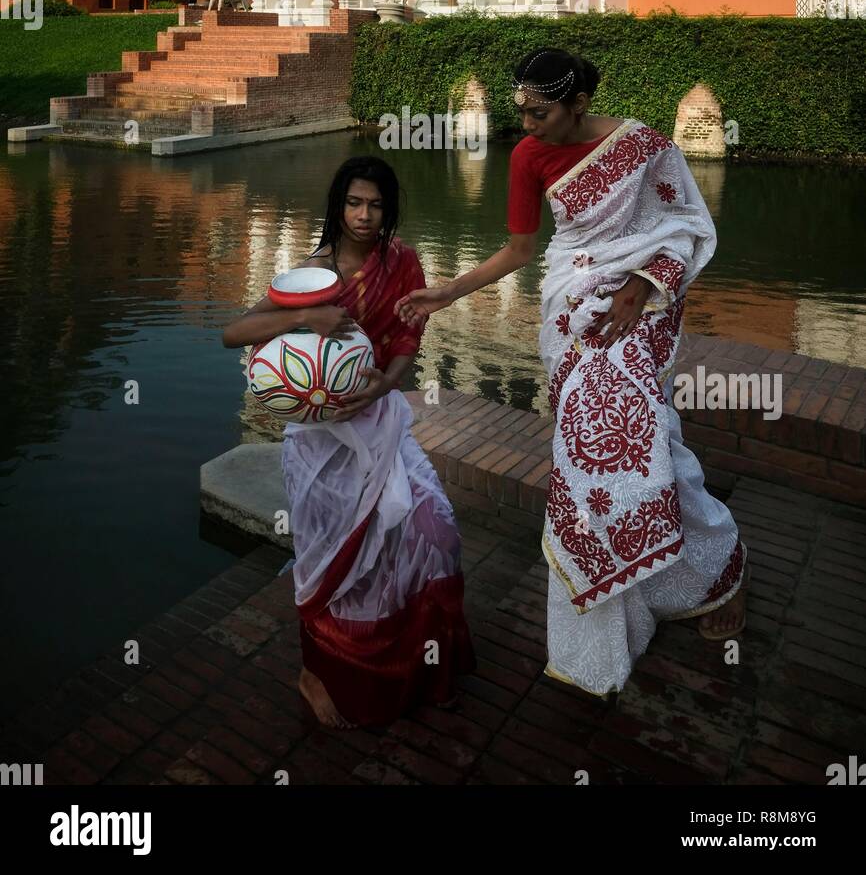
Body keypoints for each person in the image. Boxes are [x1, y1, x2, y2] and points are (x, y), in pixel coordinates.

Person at [395, 49, 748, 698]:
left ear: (578, 102)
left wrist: (644, 283)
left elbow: (685, 224)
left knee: (627, 428)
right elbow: (521, 250)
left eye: (541, 111)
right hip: (572, 301)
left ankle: (713, 571)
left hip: (645, 296)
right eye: (520, 110)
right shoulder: (529, 158)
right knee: (632, 443)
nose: (528, 123)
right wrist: (449, 290)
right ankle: (643, 592)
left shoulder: (641, 143)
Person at [222, 156, 475, 728]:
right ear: (337, 206)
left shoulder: (402, 259)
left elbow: (411, 329)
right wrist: (302, 320)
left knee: (432, 532)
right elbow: (232, 332)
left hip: (381, 421)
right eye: (354, 203)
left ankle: (423, 666)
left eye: (376, 204)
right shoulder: (312, 275)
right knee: (335, 563)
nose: (364, 216)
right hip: (321, 442)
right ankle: (318, 672)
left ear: (389, 210)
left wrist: (390, 379)